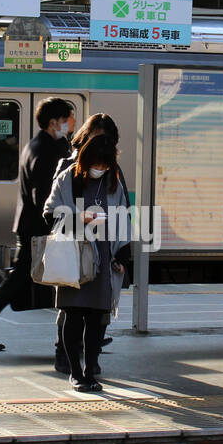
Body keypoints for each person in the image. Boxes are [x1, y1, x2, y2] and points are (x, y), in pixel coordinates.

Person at [0, 97, 75, 352]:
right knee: (59, 276)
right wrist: (56, 221)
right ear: (53, 122)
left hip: (31, 225)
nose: (70, 125)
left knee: (25, 278)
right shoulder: (46, 149)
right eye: (67, 120)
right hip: (38, 228)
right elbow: (43, 194)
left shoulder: (37, 144)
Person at [43, 135, 131, 392]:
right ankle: (75, 373)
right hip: (73, 256)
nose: (100, 169)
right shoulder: (67, 179)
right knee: (73, 313)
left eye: (105, 165)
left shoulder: (113, 183)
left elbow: (124, 219)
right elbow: (49, 216)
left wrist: (122, 257)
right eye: (96, 163)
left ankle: (90, 369)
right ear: (85, 159)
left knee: (96, 318)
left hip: (103, 259)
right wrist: (80, 217)